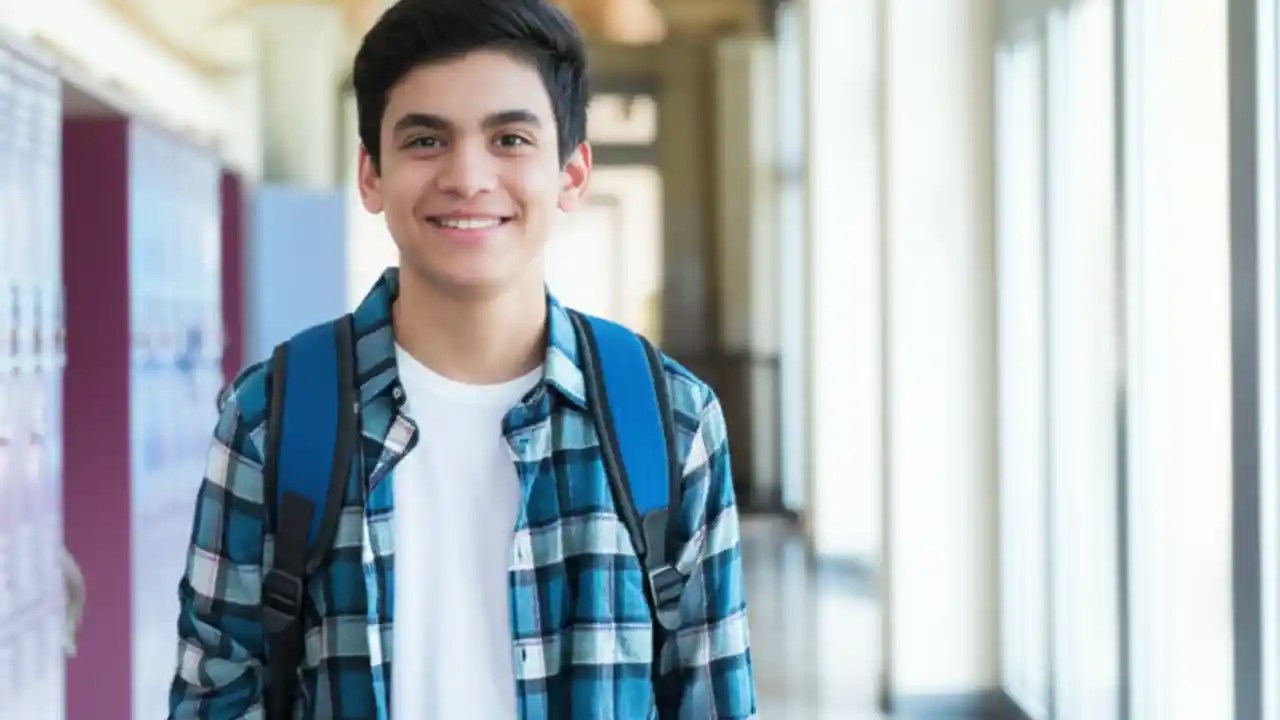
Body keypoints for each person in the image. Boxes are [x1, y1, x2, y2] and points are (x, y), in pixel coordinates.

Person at [167, 0, 756, 718]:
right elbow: (215, 698)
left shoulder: (671, 422)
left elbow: (715, 701)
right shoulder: (272, 418)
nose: (468, 176)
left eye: (509, 138)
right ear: (371, 174)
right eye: (425, 140)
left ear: (571, 174)